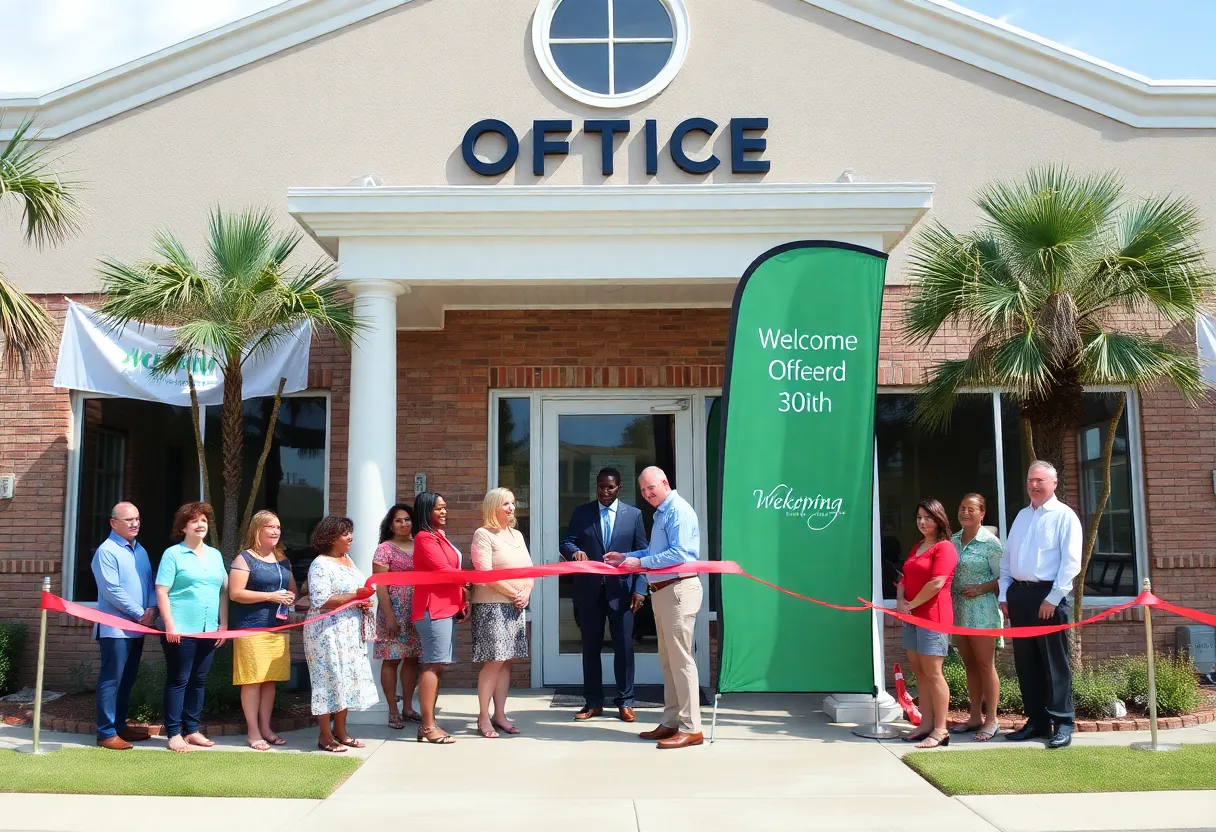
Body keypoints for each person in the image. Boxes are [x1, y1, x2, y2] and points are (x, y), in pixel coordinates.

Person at [605, 466, 703, 749]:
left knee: (681, 661)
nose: (648, 494)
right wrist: (627, 557)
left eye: (652, 488)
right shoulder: (662, 512)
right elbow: (654, 552)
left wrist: (641, 564)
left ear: (665, 482)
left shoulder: (678, 511)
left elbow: (681, 554)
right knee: (668, 661)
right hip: (663, 591)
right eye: (644, 491)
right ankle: (672, 721)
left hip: (678, 590)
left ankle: (691, 727)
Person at [1000, 461, 1082, 750]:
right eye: (1030, 480)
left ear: (1054, 484)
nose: (1034, 485)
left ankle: (1061, 722)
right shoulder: (1022, 516)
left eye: (1040, 480)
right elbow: (1007, 559)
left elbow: (1070, 563)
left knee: (1054, 663)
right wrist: (1004, 594)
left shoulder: (1064, 516)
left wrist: (1053, 597)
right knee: (1027, 663)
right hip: (1020, 598)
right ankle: (1036, 721)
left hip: (1048, 597)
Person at [560, 467, 648, 722]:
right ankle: (593, 702)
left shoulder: (633, 515)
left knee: (624, 648)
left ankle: (625, 702)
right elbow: (567, 541)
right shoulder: (582, 512)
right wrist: (573, 551)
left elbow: (643, 554)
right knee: (590, 648)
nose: (605, 491)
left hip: (621, 593)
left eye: (610, 487)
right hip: (588, 592)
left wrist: (640, 589)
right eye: (601, 486)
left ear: (619, 488)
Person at [155, 502, 227, 754]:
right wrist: (170, 624)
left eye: (204, 521)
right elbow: (162, 591)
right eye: (194, 521)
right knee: (179, 680)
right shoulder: (173, 554)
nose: (200, 525)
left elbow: (222, 591)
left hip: (209, 629)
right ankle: (174, 733)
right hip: (180, 629)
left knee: (199, 680)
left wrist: (223, 623)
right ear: (183, 527)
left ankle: (192, 729)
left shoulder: (215, 555)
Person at [303, 515, 379, 753]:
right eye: (345, 533)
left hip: (350, 631)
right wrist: (356, 597)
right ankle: (325, 735)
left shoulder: (347, 559)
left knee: (345, 679)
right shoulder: (320, 564)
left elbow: (356, 594)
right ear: (330, 537)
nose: (350, 538)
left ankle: (341, 731)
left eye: (350, 532)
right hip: (326, 632)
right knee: (328, 678)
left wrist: (364, 601)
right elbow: (320, 599)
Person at [228, 510, 297, 750]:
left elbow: (292, 591)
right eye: (270, 526)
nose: (275, 530)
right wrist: (270, 596)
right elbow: (235, 593)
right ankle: (253, 731)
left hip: (278, 629)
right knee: (253, 681)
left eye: (278, 526)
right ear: (257, 529)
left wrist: (290, 597)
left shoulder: (282, 560)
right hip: (251, 629)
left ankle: (266, 728)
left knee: (270, 681)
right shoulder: (244, 558)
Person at [91, 501, 156, 750]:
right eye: (128, 519)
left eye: (137, 518)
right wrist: (140, 613)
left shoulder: (140, 551)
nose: (135, 523)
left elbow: (150, 582)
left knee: (127, 679)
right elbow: (111, 590)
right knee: (112, 680)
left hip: (137, 627)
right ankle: (106, 733)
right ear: (113, 523)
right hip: (115, 630)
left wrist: (152, 609)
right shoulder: (106, 551)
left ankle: (119, 726)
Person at [470, 487, 534, 738]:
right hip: (491, 606)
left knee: (506, 661)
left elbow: (529, 570)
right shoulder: (483, 534)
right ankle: (483, 717)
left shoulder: (517, 534)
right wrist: (512, 592)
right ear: (493, 506)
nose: (511, 508)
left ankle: (500, 715)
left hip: (515, 606)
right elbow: (483, 572)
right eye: (506, 503)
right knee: (494, 661)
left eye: (513, 503)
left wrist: (526, 592)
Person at [896, 498, 958, 749]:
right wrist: (901, 600)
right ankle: (925, 724)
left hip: (933, 617)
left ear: (939, 519)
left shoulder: (945, 548)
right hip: (911, 616)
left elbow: (936, 583)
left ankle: (941, 729)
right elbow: (903, 577)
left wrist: (911, 605)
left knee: (933, 673)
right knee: (920, 673)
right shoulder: (918, 547)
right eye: (919, 517)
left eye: (928, 517)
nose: (922, 522)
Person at [411, 491, 469, 745]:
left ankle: (429, 722)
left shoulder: (438, 536)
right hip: (431, 608)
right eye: (439, 509)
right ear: (426, 511)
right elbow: (444, 571)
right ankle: (427, 726)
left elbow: (450, 572)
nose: (444, 512)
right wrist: (471, 579)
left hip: (446, 606)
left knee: (438, 665)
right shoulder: (424, 538)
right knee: (433, 664)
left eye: (445, 508)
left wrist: (461, 601)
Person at [949, 493, 1003, 742]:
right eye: (962, 508)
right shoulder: (953, 540)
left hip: (982, 612)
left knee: (984, 665)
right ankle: (974, 717)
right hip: (959, 612)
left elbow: (1003, 579)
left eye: (971, 509)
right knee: (969, 665)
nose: (965, 512)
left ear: (982, 513)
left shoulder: (991, 543)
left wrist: (981, 588)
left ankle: (992, 719)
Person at [373, 504, 423, 728]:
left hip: (417, 609)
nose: (404, 524)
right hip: (392, 608)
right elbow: (380, 586)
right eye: (398, 520)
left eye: (407, 520)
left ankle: (408, 707)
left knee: (412, 658)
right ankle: (393, 710)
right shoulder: (384, 549)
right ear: (391, 525)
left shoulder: (421, 545)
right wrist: (389, 616)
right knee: (392, 658)